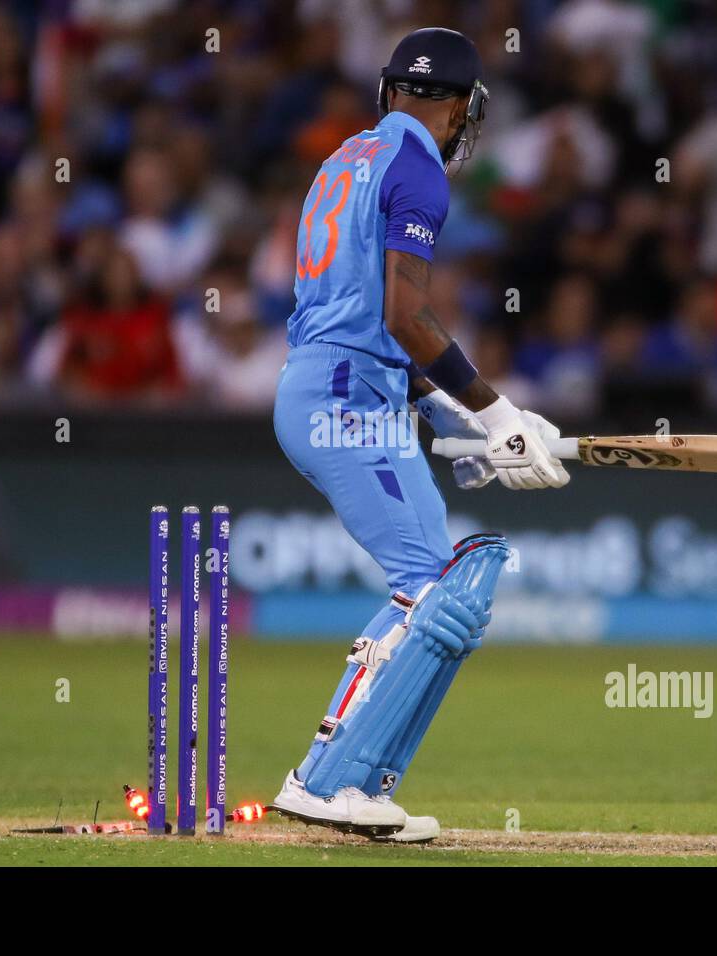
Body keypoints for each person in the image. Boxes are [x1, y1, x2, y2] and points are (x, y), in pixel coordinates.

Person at [270, 28, 570, 843]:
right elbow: (405, 315)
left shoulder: (345, 160)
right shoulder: (419, 171)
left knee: (450, 602)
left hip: (337, 383)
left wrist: (456, 419)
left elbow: (361, 317)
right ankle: (320, 778)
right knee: (431, 586)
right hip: (344, 392)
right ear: (462, 108)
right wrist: (500, 411)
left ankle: (363, 786)